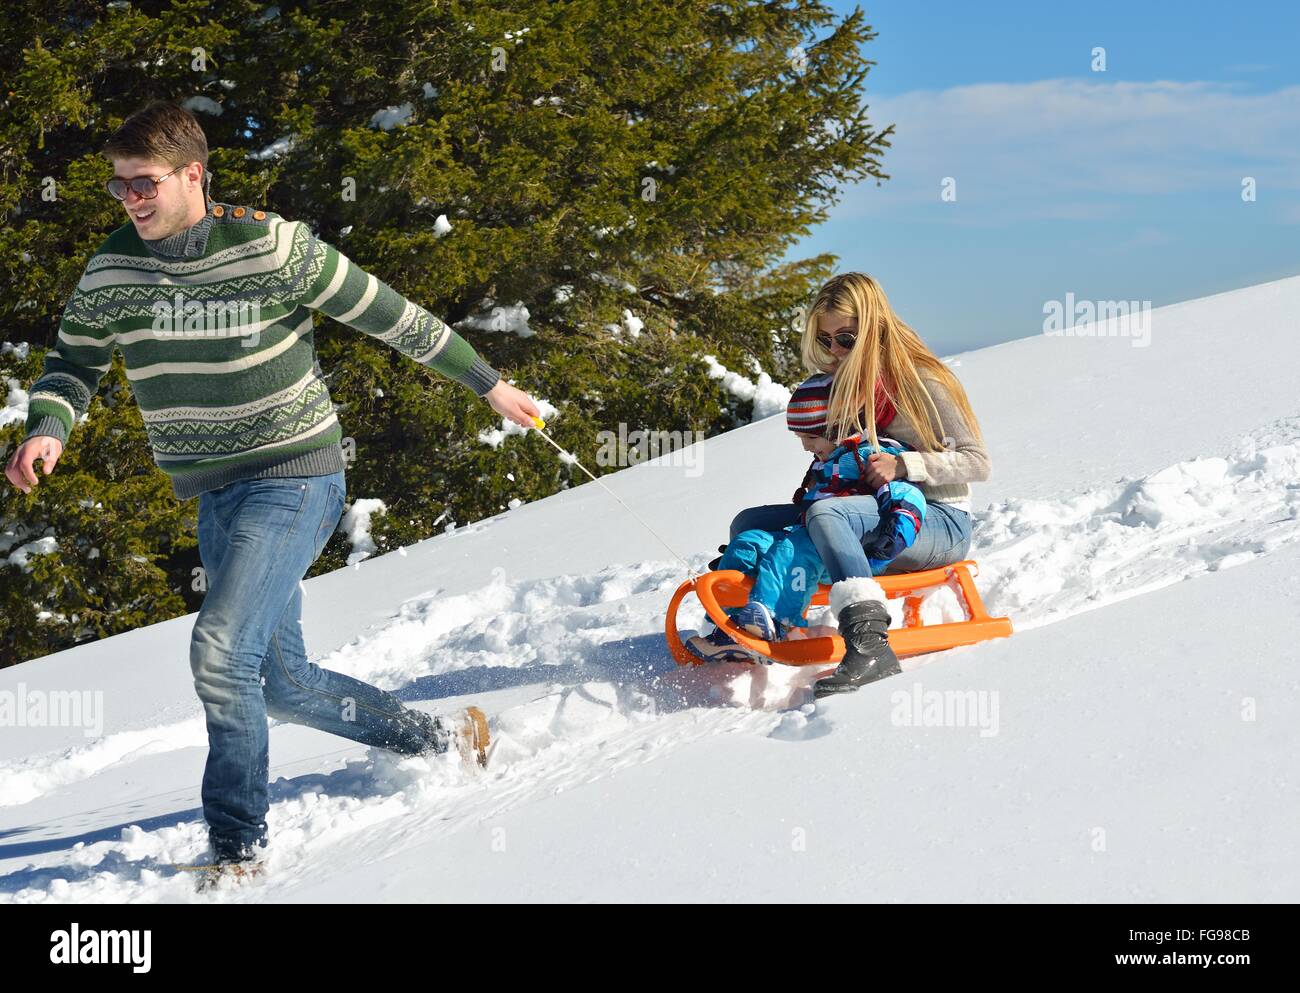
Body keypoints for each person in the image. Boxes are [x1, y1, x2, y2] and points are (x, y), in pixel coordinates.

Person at [4, 101, 541, 870]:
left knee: (220, 652)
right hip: (216, 494)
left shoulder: (272, 245)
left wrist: (486, 382)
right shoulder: (114, 269)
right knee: (283, 683)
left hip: (296, 474)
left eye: (144, 183)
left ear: (194, 174)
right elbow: (74, 363)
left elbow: (390, 315)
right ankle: (447, 738)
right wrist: (49, 424)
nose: (129, 200)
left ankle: (235, 849)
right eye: (118, 186)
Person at [727, 272, 991, 696]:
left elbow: (977, 463)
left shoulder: (925, 382)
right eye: (826, 340)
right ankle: (757, 617)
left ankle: (869, 644)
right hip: (867, 511)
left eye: (846, 338)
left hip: (939, 521)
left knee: (824, 513)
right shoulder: (844, 384)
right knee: (750, 521)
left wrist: (905, 465)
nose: (835, 351)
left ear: (874, 329)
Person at [686, 373, 926, 662]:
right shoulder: (825, 463)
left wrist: (893, 537)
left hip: (843, 550)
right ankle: (730, 627)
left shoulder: (871, 456)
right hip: (804, 535)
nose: (805, 446)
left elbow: (907, 497)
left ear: (840, 426)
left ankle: (775, 620)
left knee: (793, 547)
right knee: (749, 542)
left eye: (811, 437)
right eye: (801, 438)